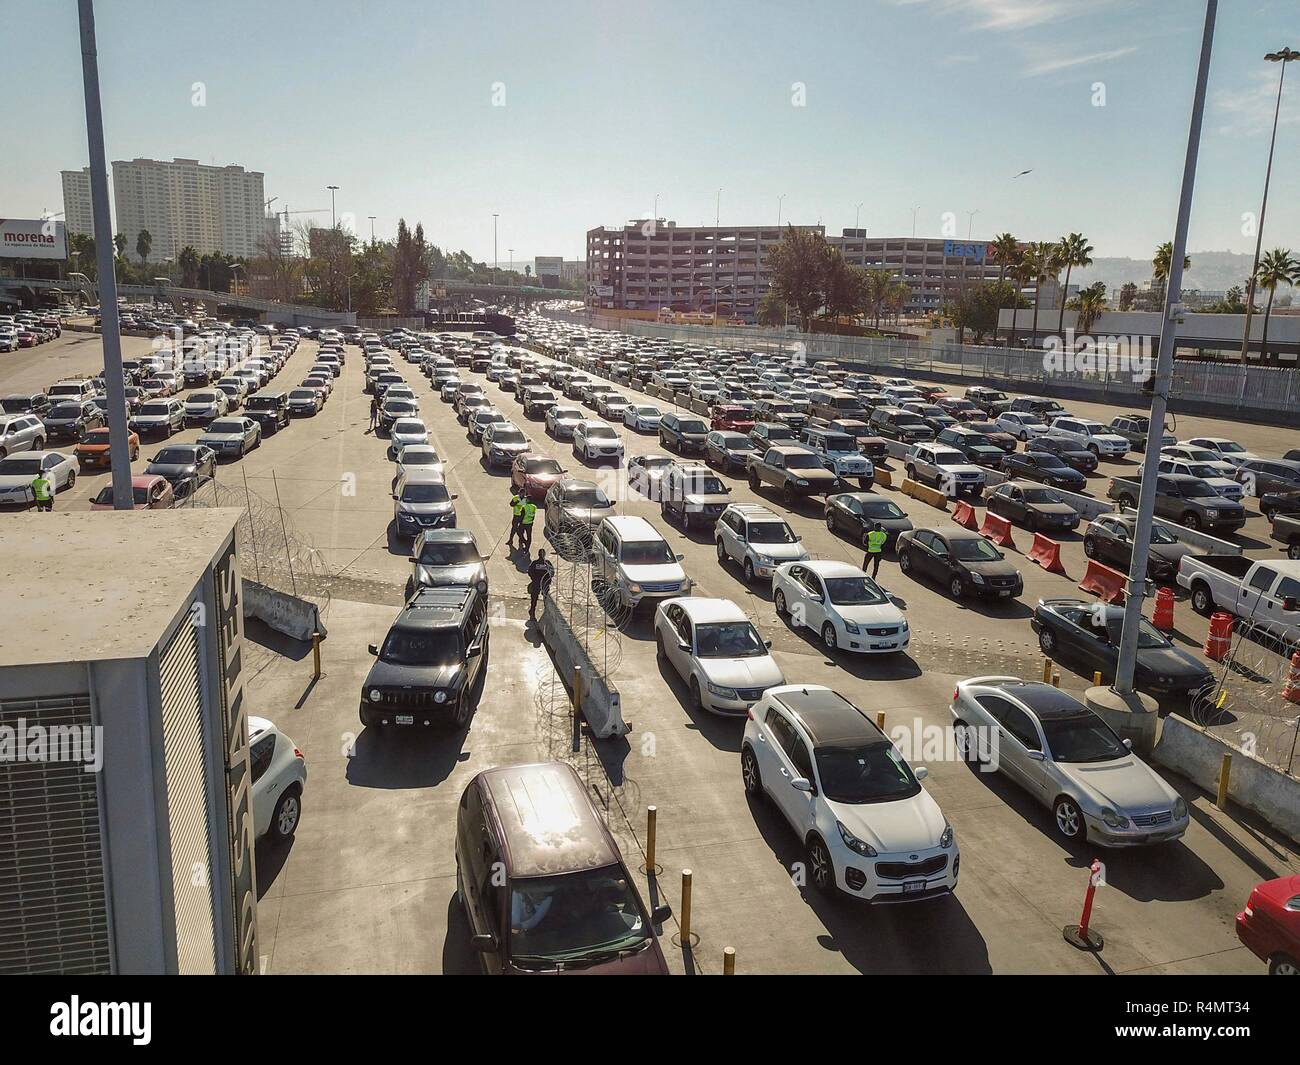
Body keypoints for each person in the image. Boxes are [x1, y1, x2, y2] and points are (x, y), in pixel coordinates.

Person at [527, 549, 554, 616]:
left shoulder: (535, 563)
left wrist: (534, 579)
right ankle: (542, 610)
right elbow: (552, 572)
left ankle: (533, 610)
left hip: (538, 582)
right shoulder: (547, 563)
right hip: (544, 583)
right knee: (544, 597)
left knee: (535, 597)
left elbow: (530, 572)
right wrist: (547, 579)